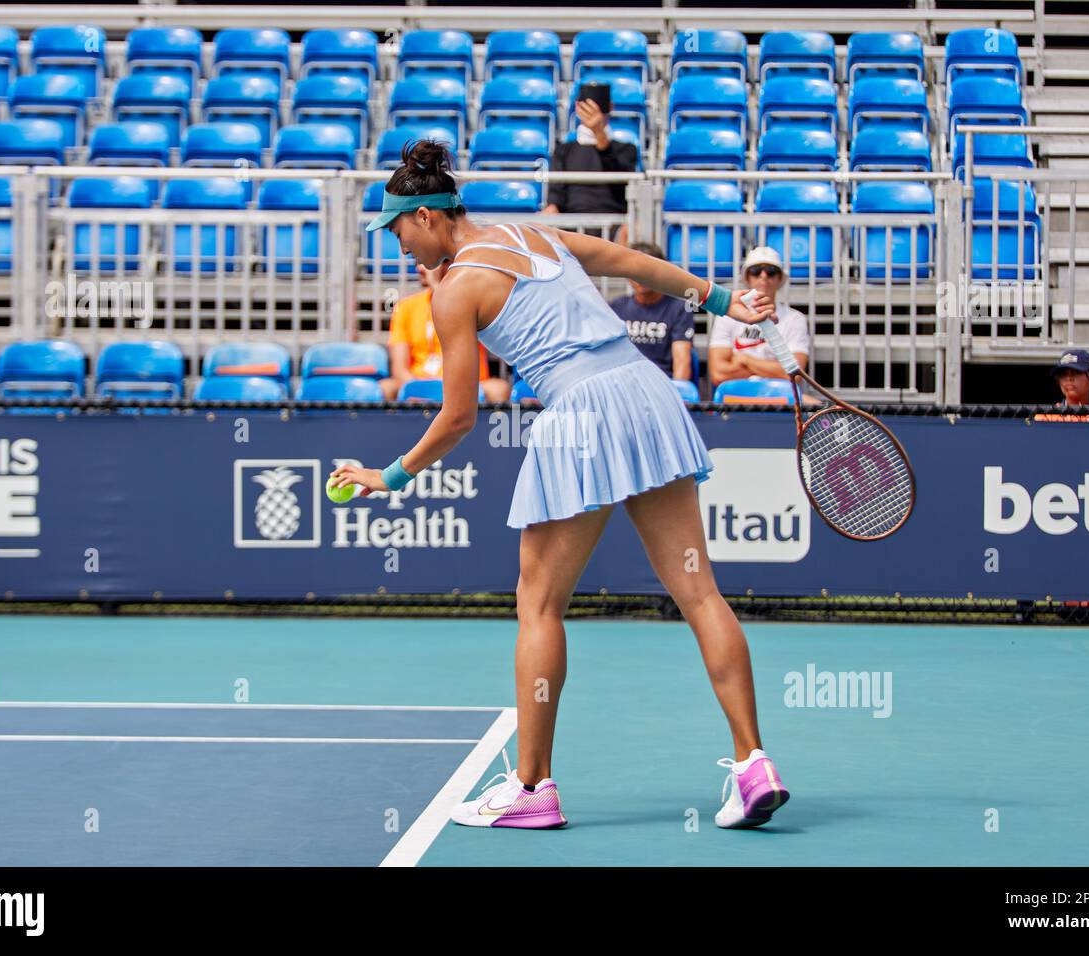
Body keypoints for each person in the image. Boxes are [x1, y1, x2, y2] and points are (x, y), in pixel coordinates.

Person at [329, 139, 791, 831]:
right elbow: (632, 263)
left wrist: (389, 476)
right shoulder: (529, 230)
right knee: (698, 590)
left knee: (539, 604)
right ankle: (755, 763)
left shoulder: (454, 291)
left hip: (580, 416)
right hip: (648, 392)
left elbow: (459, 417)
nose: (397, 246)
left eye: (396, 230)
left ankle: (533, 787)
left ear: (425, 216)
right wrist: (726, 301)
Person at [380, 261, 511, 403]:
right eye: (417, 263)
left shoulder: (470, 302)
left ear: (447, 266)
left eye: (425, 263)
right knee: (386, 387)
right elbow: (399, 369)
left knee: (499, 389)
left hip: (467, 383)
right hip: (419, 380)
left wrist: (438, 289)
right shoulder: (405, 307)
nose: (419, 268)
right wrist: (421, 389)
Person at [707, 246, 810, 392]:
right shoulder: (726, 317)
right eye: (756, 271)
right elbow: (718, 374)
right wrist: (773, 369)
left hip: (778, 398)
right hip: (736, 397)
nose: (763, 276)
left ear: (780, 278)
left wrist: (744, 360)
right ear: (747, 277)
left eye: (771, 271)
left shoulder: (795, 319)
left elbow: (795, 375)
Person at [542, 86, 637, 244]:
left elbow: (621, 182)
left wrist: (599, 133)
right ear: (578, 108)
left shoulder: (626, 149)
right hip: (571, 227)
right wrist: (552, 207)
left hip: (614, 226)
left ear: (610, 108)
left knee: (632, 230)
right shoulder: (564, 150)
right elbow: (556, 193)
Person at [607, 241, 697, 382]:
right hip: (622, 384)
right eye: (634, 270)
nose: (640, 276)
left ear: (659, 272)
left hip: (662, 384)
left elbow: (682, 361)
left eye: (645, 270)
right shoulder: (616, 307)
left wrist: (678, 395)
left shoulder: (679, 308)